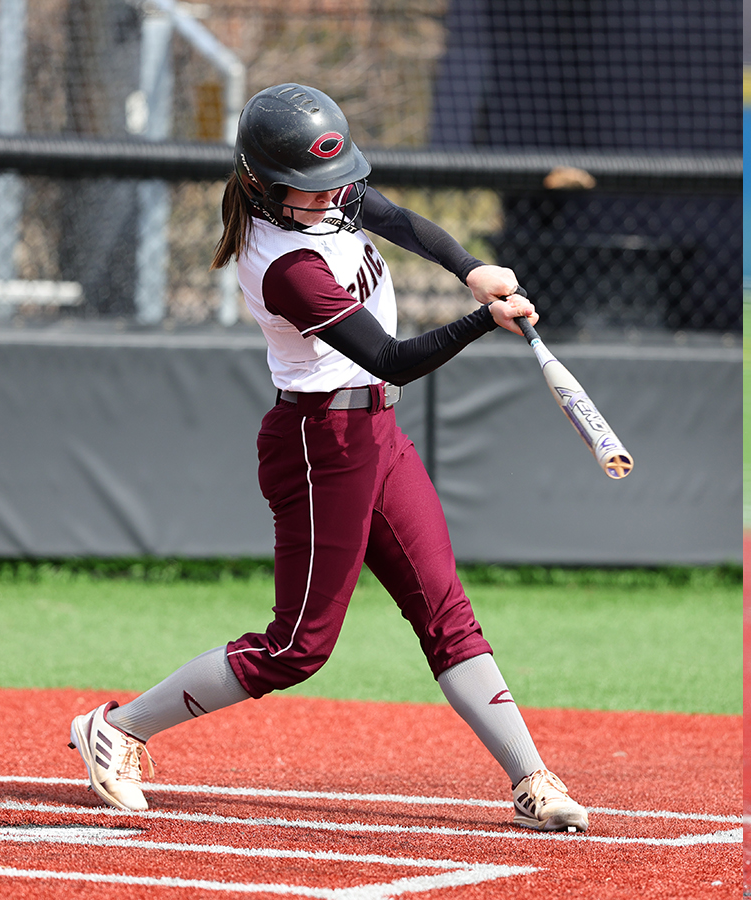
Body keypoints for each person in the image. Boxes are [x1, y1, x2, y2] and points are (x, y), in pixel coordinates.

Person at [66, 83, 589, 833]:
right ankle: (116, 728)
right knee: (296, 648)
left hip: (376, 434)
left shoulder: (326, 196)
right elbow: (392, 357)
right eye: (309, 192)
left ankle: (532, 779)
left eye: (335, 183)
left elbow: (398, 219)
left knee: (446, 610)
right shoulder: (285, 266)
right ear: (263, 188)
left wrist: (469, 267)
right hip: (322, 446)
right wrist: (484, 318)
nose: (333, 200)